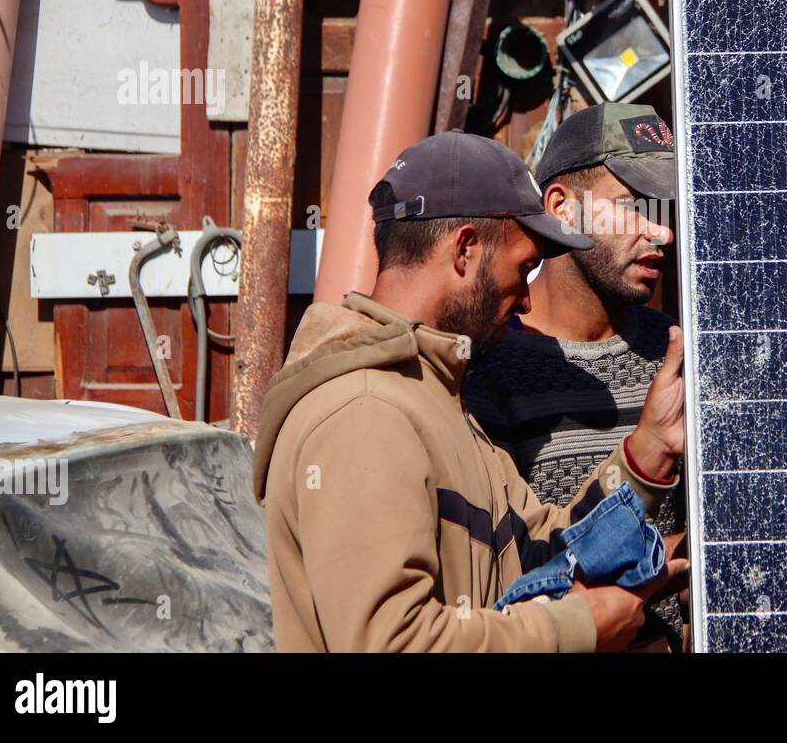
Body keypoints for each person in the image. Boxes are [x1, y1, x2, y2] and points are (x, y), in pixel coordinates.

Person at [252, 130, 687, 652]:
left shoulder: (434, 399)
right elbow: (394, 644)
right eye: (524, 268)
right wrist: (578, 628)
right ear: (465, 250)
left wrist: (649, 453)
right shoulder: (363, 413)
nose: (527, 302)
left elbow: (541, 549)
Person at [462, 103, 687, 648]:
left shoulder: (681, 353)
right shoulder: (486, 368)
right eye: (635, 206)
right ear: (562, 209)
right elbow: (501, 575)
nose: (662, 233)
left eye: (669, 209)